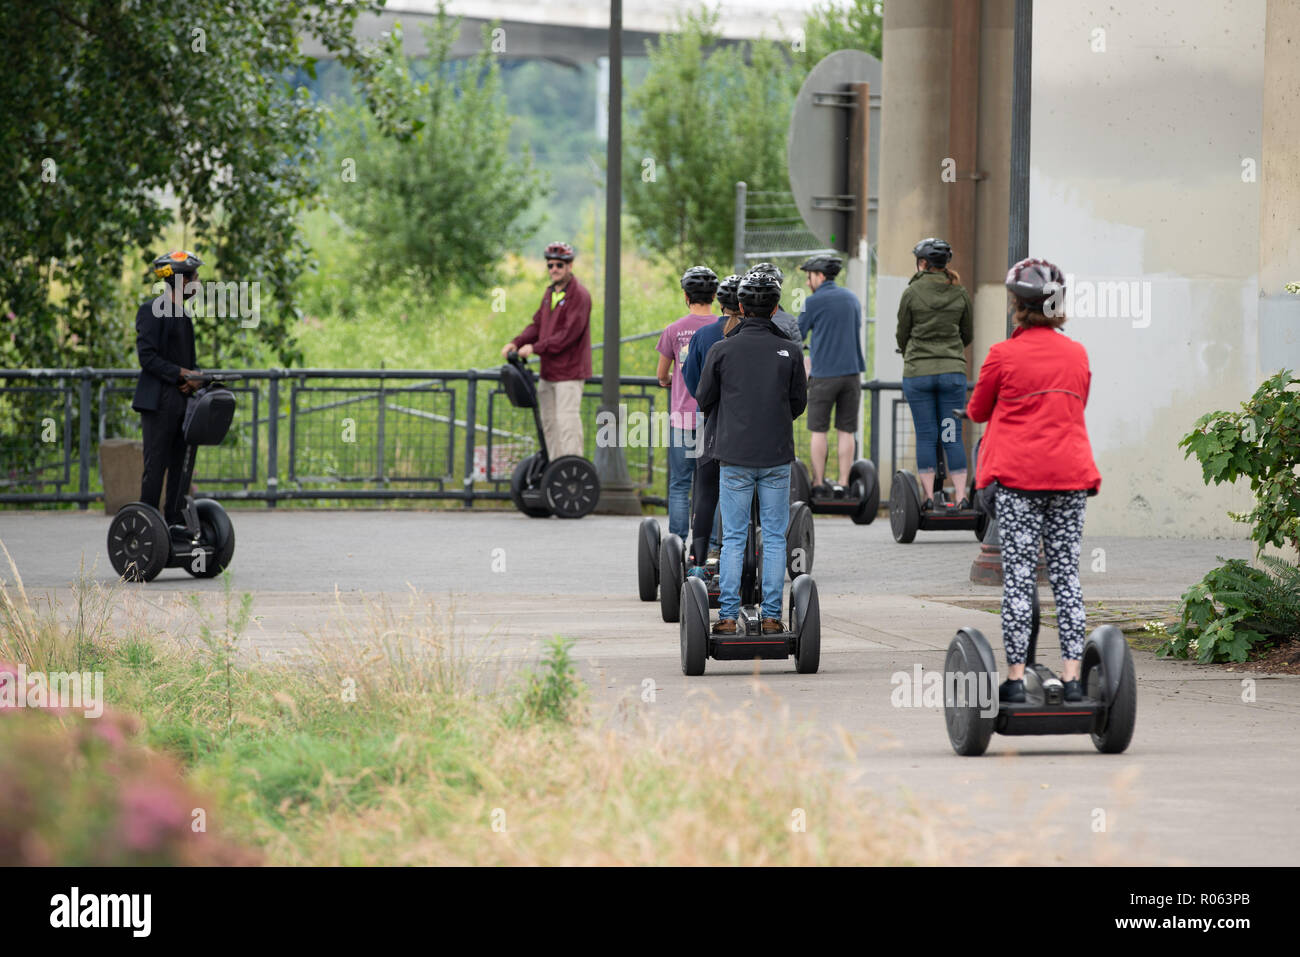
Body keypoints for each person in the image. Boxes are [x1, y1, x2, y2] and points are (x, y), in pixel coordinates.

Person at [967, 257, 1101, 703]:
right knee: (1066, 577)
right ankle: (1074, 677)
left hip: (1018, 480)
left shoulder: (1002, 355)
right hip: (1069, 478)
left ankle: (1014, 679)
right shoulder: (1078, 353)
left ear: (1017, 306)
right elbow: (1077, 402)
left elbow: (977, 411)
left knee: (1020, 578)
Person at [695, 272, 807, 635]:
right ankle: (772, 616)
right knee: (774, 536)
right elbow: (798, 404)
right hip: (775, 455)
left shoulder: (722, 350)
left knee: (734, 537)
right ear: (775, 308)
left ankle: (727, 617)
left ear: (740, 308)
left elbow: (703, 399)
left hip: (734, 456)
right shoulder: (790, 350)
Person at [896, 237, 974, 508]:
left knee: (927, 434)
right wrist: (950, 352)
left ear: (923, 264)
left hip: (918, 373)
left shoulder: (911, 292)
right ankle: (962, 497)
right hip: (952, 372)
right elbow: (967, 334)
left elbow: (902, 333)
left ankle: (929, 498)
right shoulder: (960, 292)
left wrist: (909, 351)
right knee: (951, 433)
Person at [132, 250, 203, 537]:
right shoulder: (151, 310)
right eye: (195, 278)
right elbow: (147, 358)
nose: (198, 283)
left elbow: (189, 361)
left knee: (179, 465)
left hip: (181, 401)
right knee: (156, 465)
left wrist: (196, 378)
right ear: (181, 280)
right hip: (158, 401)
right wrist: (181, 374)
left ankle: (173, 521)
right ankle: (145, 527)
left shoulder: (184, 316)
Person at [502, 241, 592, 459]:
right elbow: (537, 325)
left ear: (570, 266)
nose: (554, 269)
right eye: (550, 265)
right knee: (550, 425)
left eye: (559, 265)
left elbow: (567, 335)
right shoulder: (550, 293)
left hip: (569, 374)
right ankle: (556, 471)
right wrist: (517, 342)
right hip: (549, 372)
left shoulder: (579, 295)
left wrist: (535, 348)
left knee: (567, 424)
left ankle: (572, 471)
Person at [681, 273, 744, 571]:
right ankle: (739, 556)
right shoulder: (755, 333)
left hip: (710, 425)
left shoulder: (704, 336)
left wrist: (707, 403)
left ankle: (700, 555)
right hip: (746, 428)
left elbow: (692, 380)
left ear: (719, 302)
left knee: (705, 492)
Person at [655, 266, 719, 540]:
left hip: (682, 419)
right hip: (713, 419)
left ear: (685, 295)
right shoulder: (723, 328)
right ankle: (713, 547)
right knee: (712, 486)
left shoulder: (674, 330)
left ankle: (676, 545)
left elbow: (661, 375)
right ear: (715, 295)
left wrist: (672, 379)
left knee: (680, 485)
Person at [797, 254, 866, 492]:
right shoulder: (852, 299)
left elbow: (798, 334)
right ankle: (844, 484)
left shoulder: (813, 302)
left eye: (809, 277)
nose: (808, 282)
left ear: (820, 276)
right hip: (852, 374)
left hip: (824, 374)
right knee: (846, 430)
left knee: (819, 430)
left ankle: (818, 483)